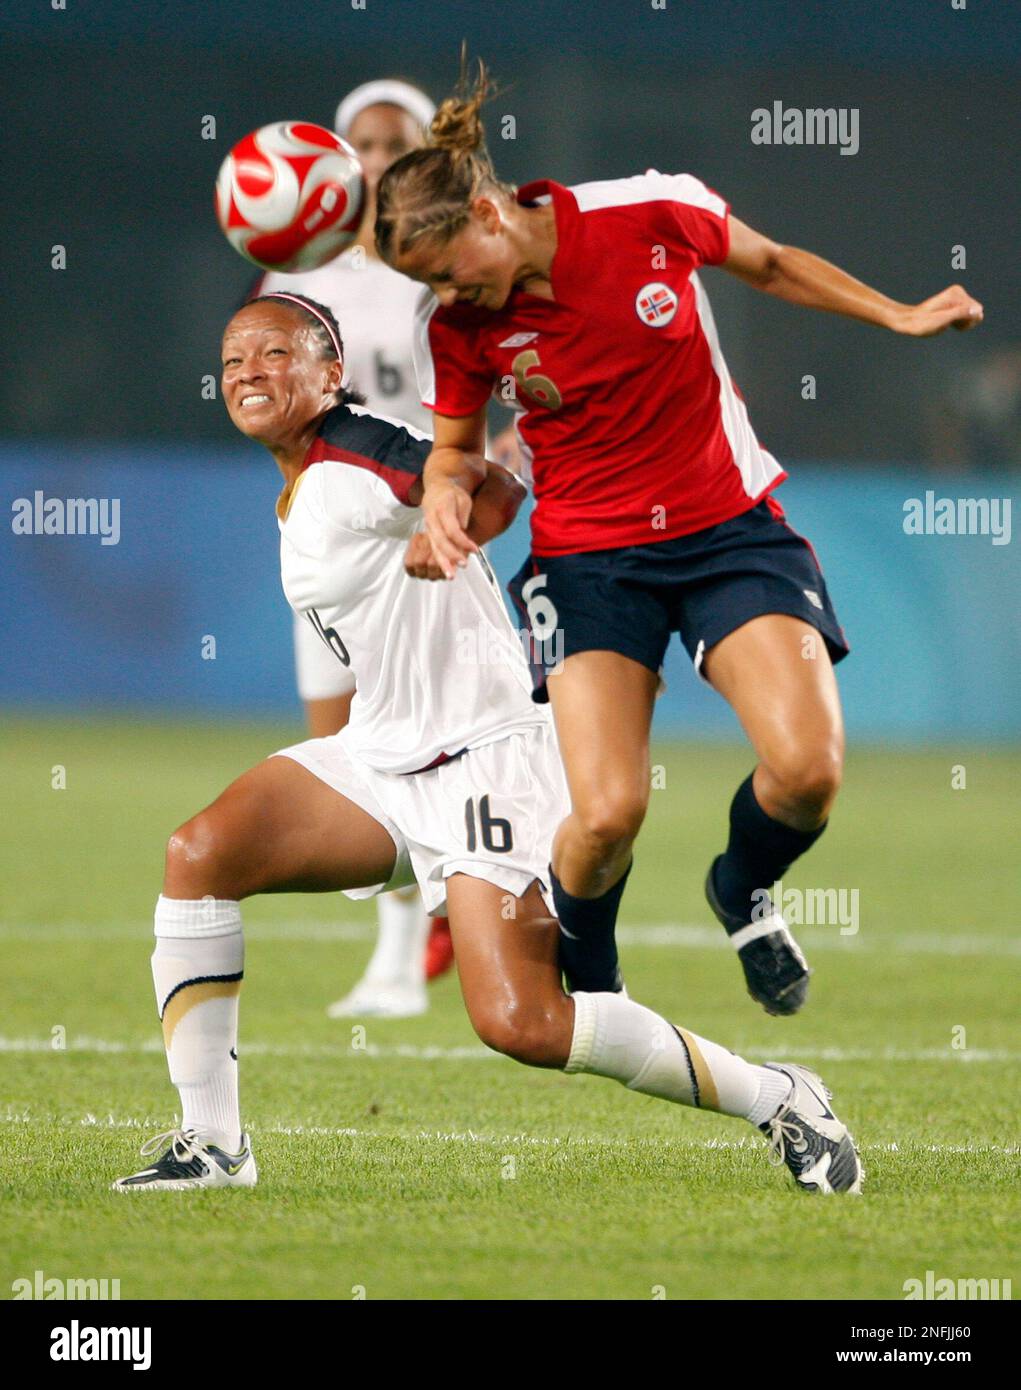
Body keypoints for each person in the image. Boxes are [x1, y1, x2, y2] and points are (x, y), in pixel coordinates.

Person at [112, 293, 862, 1195]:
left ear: (330, 372)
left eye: (277, 353)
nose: (249, 373)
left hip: (487, 756)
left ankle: (780, 1098)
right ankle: (214, 1147)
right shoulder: (306, 476)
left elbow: (490, 487)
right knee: (199, 854)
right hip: (383, 753)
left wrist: (453, 520)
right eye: (234, 361)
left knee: (525, 1024)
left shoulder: (358, 449)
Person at [374, 58, 984, 1015]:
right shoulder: (459, 329)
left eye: (449, 274)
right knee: (608, 813)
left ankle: (739, 887)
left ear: (487, 216)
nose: (450, 299)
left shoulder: (646, 211)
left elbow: (772, 264)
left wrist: (896, 314)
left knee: (807, 773)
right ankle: (598, 989)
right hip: (585, 562)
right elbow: (453, 452)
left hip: (729, 532)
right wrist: (442, 498)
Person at [254, 78, 452, 1019]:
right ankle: (418, 920)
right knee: (337, 748)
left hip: (417, 537)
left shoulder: (439, 267)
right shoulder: (296, 276)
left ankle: (410, 953)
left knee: (426, 744)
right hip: (327, 535)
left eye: (392, 143)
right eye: (361, 143)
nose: (374, 160)